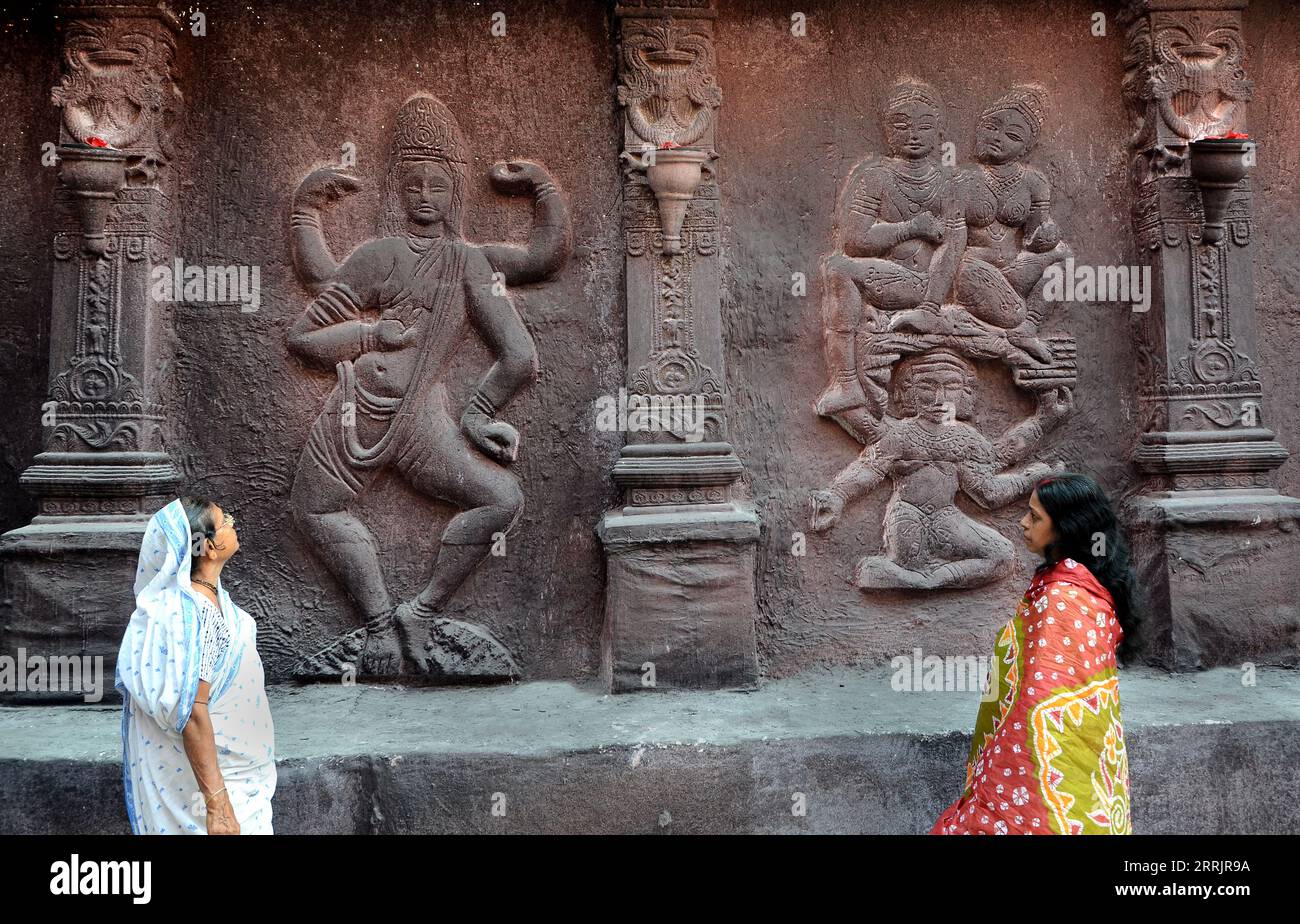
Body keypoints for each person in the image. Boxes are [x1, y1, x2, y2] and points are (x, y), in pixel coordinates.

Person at [931, 473, 1136, 834]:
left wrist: (999, 772)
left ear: (1066, 529)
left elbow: (1042, 705)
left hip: (1040, 765)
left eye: (1036, 517)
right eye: (1028, 513)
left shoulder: (1065, 599)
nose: (1024, 523)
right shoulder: (1070, 584)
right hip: (1072, 769)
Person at [116, 496, 276, 834]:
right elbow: (191, 709)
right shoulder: (195, 616)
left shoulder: (205, 603)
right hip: (217, 797)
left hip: (239, 781)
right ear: (211, 547)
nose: (233, 523)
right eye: (226, 520)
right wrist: (218, 804)